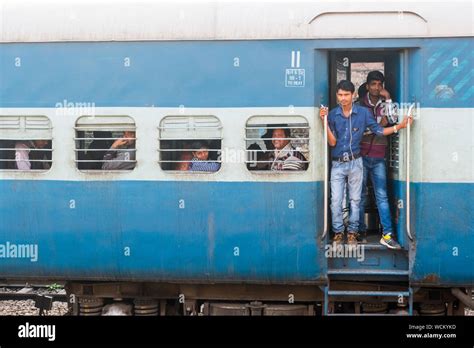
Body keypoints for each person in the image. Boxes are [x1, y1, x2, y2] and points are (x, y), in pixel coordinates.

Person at [320, 80, 412, 245]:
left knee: (355, 200)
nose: (343, 98)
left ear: (353, 95)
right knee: (336, 200)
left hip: (356, 162)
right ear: (336, 95)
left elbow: (379, 131)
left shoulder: (363, 113)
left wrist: (400, 126)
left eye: (346, 95)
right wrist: (324, 122)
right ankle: (339, 232)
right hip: (338, 164)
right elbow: (332, 143)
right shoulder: (333, 115)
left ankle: (353, 233)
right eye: (340, 95)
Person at [358, 71, 401, 249]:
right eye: (373, 84)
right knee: (358, 197)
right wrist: (377, 126)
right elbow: (357, 129)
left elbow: (393, 120)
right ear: (367, 86)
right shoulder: (358, 105)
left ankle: (387, 234)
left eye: (379, 84)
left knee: (382, 196)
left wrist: (389, 98)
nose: (377, 88)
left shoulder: (386, 103)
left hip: (378, 157)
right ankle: (360, 232)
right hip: (359, 157)